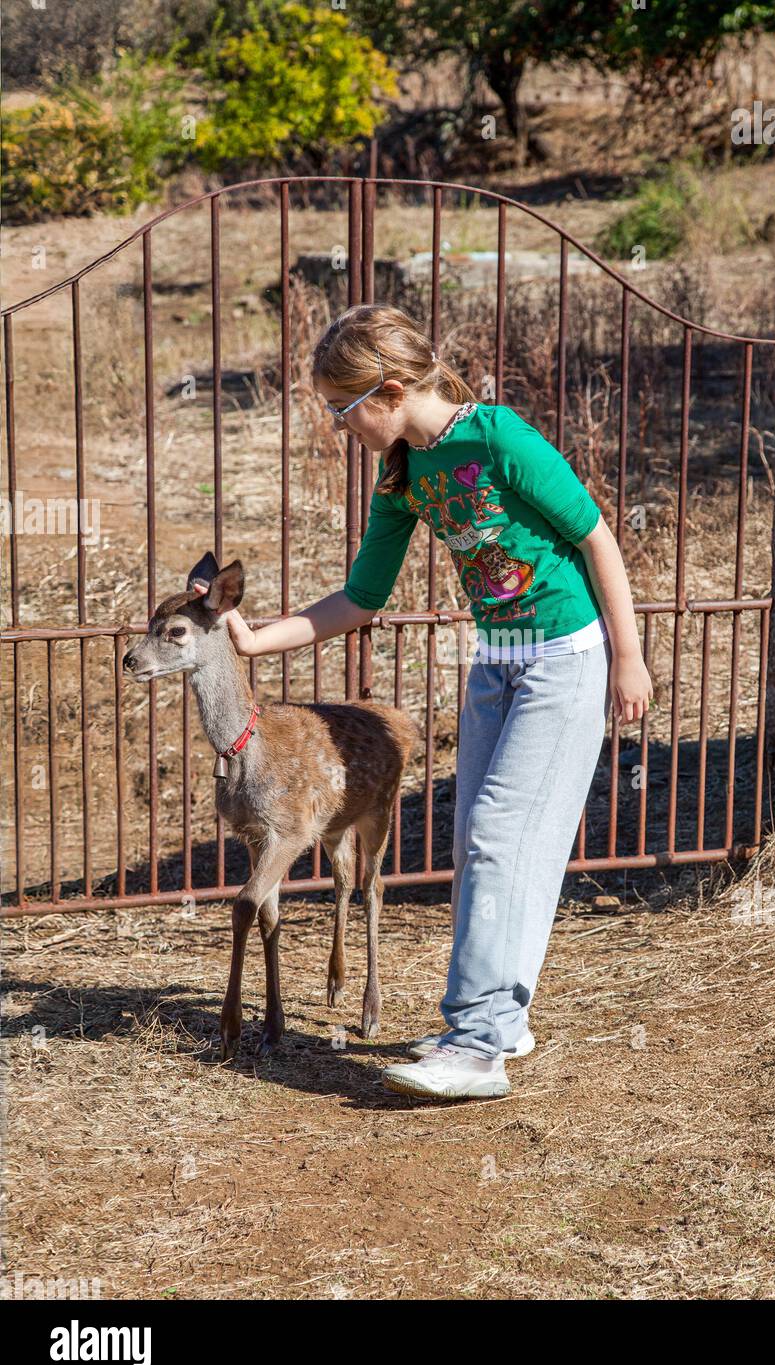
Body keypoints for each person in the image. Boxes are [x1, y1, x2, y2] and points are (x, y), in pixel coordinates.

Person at [212, 302, 652, 1100]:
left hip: (565, 661)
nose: (340, 428)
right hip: (497, 668)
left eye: (343, 412)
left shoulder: (499, 438)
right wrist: (253, 642)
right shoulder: (404, 474)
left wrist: (628, 656)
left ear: (384, 390)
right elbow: (360, 598)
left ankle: (475, 1047)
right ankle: (501, 1023)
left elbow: (594, 537)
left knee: (499, 839)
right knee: (482, 842)